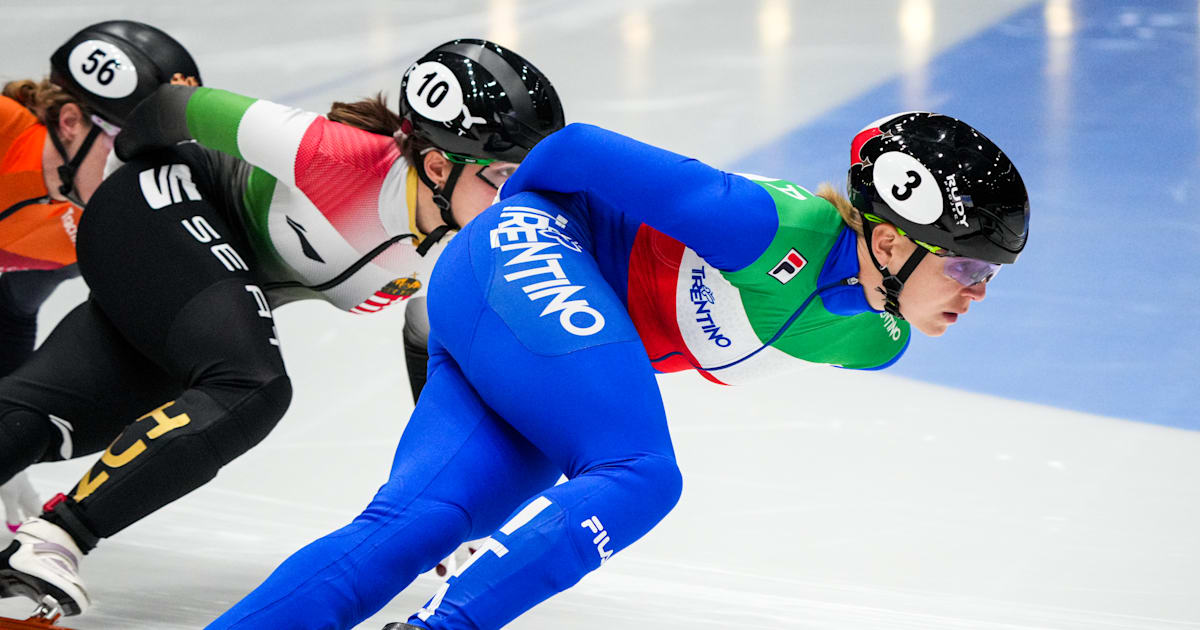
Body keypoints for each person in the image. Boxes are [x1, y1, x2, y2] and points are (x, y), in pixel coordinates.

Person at [199, 112, 1028, 630]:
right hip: (523, 264)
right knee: (639, 473)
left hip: (524, 329)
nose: (979, 292)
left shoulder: (875, 340)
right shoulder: (771, 229)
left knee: (417, 525)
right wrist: (502, 238)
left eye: (989, 275)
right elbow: (577, 149)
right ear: (888, 240)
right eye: (964, 267)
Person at [0, 37, 564, 618]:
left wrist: (451, 502)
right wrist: (117, 189)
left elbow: (434, 378)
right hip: (158, 206)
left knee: (51, 419)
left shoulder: (456, 255)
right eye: (502, 175)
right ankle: (58, 533)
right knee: (251, 386)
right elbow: (171, 107)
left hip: (195, 283)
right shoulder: (334, 155)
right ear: (439, 166)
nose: (517, 199)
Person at [0, 19, 202, 535]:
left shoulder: (100, 219)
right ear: (69, 121)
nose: (134, 171)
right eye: (123, 148)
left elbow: (14, 308)